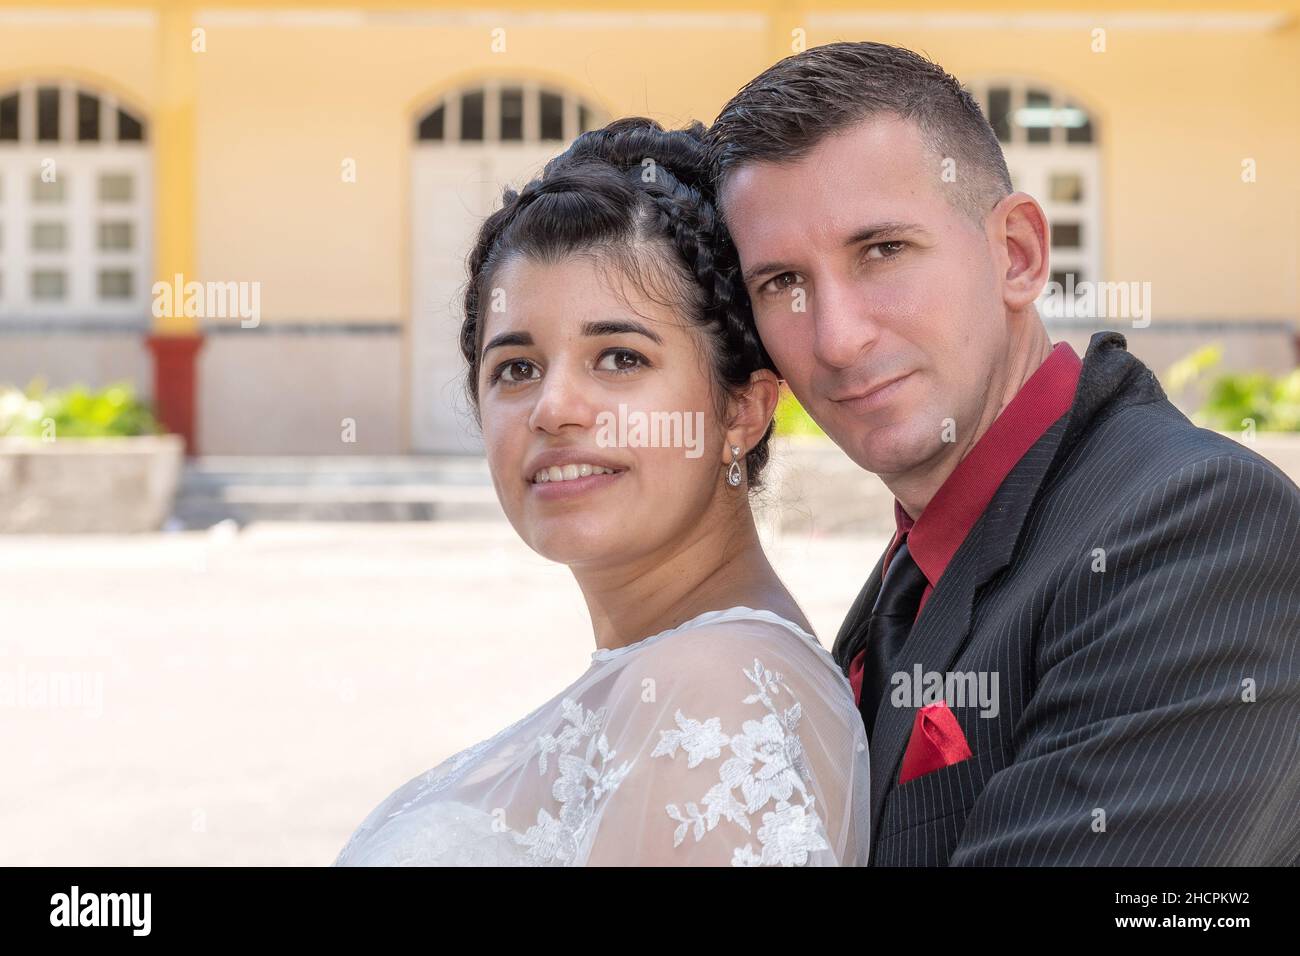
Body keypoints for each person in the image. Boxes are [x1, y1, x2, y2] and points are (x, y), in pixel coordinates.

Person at [707, 40, 1300, 865]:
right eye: (783, 284)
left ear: (1016, 254)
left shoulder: (1201, 525)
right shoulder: (913, 565)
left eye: (883, 251)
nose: (837, 338)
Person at [333, 118, 870, 866]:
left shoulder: (710, 696)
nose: (554, 409)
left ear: (741, 410)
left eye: (619, 357)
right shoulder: (679, 676)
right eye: (516, 368)